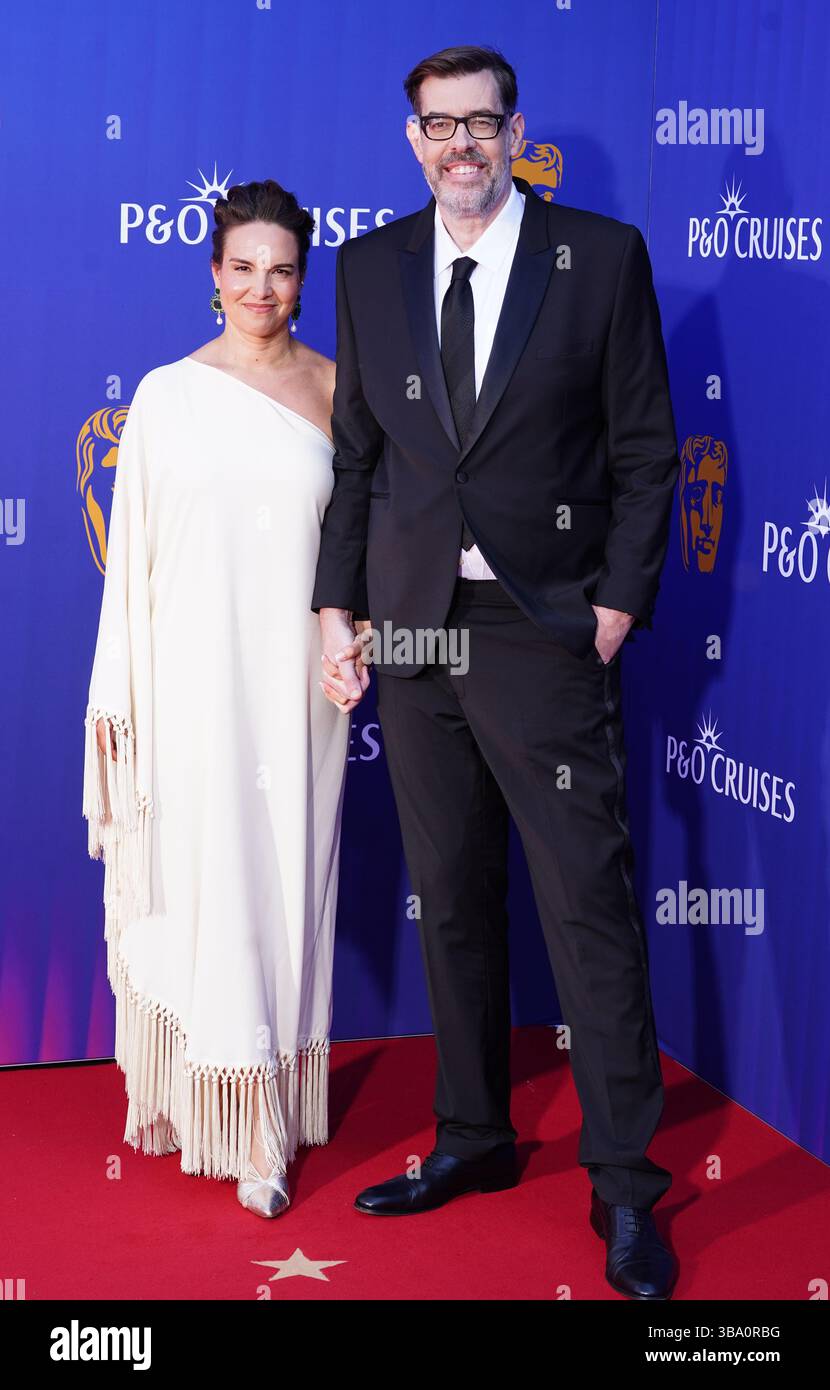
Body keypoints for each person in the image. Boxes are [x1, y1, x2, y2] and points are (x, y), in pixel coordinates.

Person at [313, 46, 680, 1299]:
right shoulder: (366, 270)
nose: (460, 145)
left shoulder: (598, 259)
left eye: (481, 122)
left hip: (542, 626)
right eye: (438, 125)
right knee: (451, 895)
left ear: (513, 131)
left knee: (583, 904)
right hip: (413, 625)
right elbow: (355, 457)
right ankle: (471, 1136)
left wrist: (619, 599)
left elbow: (646, 449)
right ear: (409, 139)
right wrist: (333, 608)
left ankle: (628, 1188)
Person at [82, 179, 356, 1218]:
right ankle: (191, 1097)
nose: (260, 287)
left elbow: (359, 543)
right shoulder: (163, 395)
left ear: (302, 279)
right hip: (191, 687)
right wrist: (130, 706)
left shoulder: (340, 389)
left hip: (294, 696)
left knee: (278, 887)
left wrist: (357, 627)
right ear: (212, 275)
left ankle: (263, 1128)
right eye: (241, 267)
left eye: (280, 269)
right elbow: (135, 566)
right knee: (202, 885)